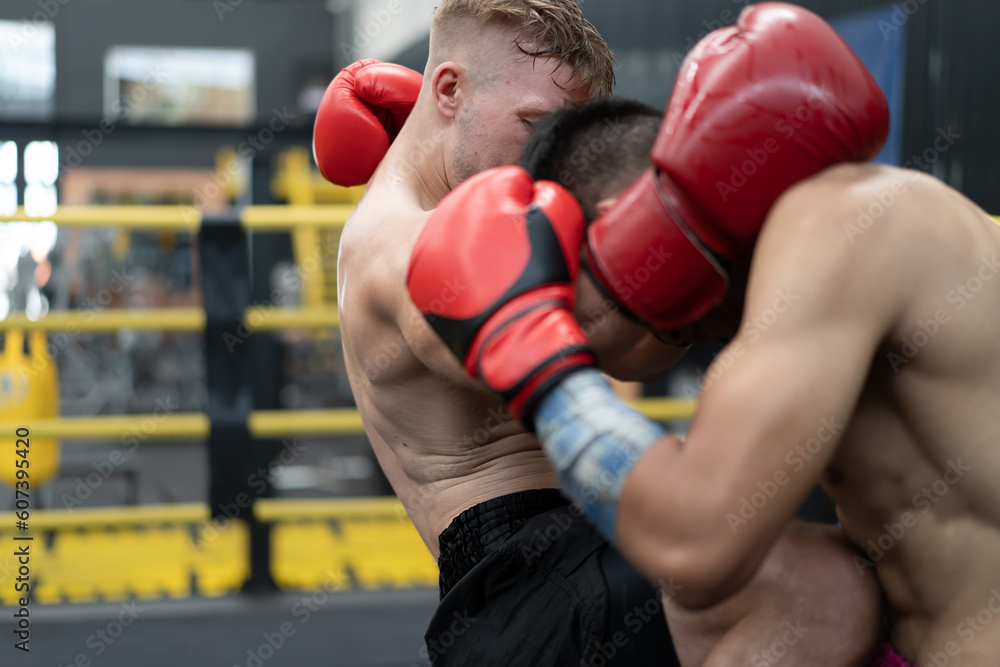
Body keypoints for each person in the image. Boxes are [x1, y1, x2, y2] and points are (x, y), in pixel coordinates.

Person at [408, 3, 1000, 667]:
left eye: (575, 297)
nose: (595, 341)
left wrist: (536, 359)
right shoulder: (802, 290)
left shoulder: (846, 222)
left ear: (623, 230)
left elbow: (697, 546)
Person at [315, 2, 685, 665]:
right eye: (535, 126)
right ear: (449, 91)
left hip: (571, 561)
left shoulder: (490, 210)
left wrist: (694, 285)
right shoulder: (393, 240)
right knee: (801, 587)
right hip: (528, 576)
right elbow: (475, 331)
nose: (548, 159)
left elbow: (634, 356)